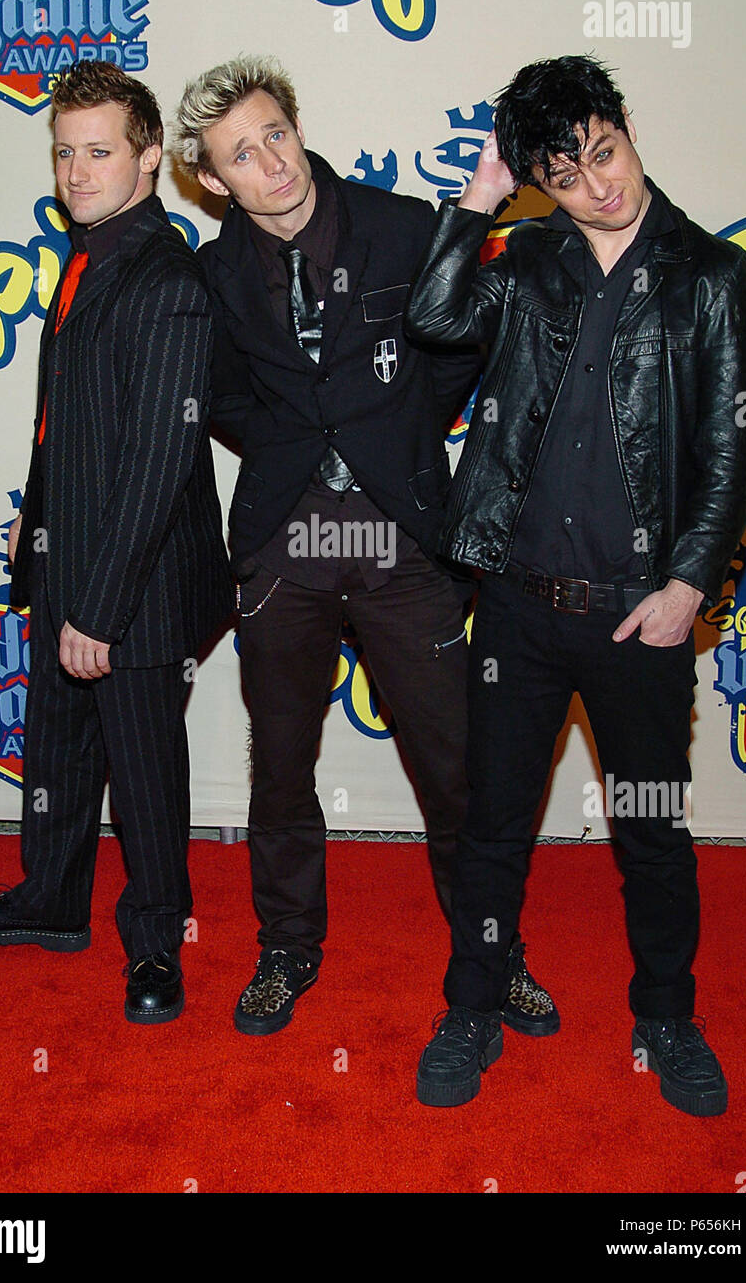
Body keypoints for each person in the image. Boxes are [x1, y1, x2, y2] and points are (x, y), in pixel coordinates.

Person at [406, 55, 746, 1114]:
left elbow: (733, 452)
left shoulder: (709, 273)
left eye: (604, 153)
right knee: (494, 826)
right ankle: (472, 1000)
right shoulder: (524, 260)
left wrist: (691, 584)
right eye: (567, 175)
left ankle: (667, 1013)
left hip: (639, 617)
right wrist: (478, 202)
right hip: (518, 604)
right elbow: (433, 320)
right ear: (539, 184)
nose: (599, 185)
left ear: (624, 128)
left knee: (651, 830)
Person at [174, 55, 558, 1037]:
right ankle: (287, 947)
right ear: (213, 180)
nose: (271, 163)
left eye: (275, 134)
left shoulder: (401, 227)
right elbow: (215, 392)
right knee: (282, 767)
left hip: (401, 538)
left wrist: (393, 430)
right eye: (241, 156)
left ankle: (492, 950)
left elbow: (463, 344)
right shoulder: (212, 273)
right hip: (286, 541)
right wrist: (292, 442)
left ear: (296, 127)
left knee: (456, 766)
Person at [0, 62, 233, 1025]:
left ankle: (156, 947)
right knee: (58, 752)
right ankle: (52, 898)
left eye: (99, 151)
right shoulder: (89, 259)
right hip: (70, 553)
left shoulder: (164, 279)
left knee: (145, 770)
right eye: (65, 153)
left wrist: (100, 611)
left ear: (151, 158)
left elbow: (158, 461)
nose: (77, 170)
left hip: (137, 584)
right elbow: (66, 419)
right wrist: (36, 515)